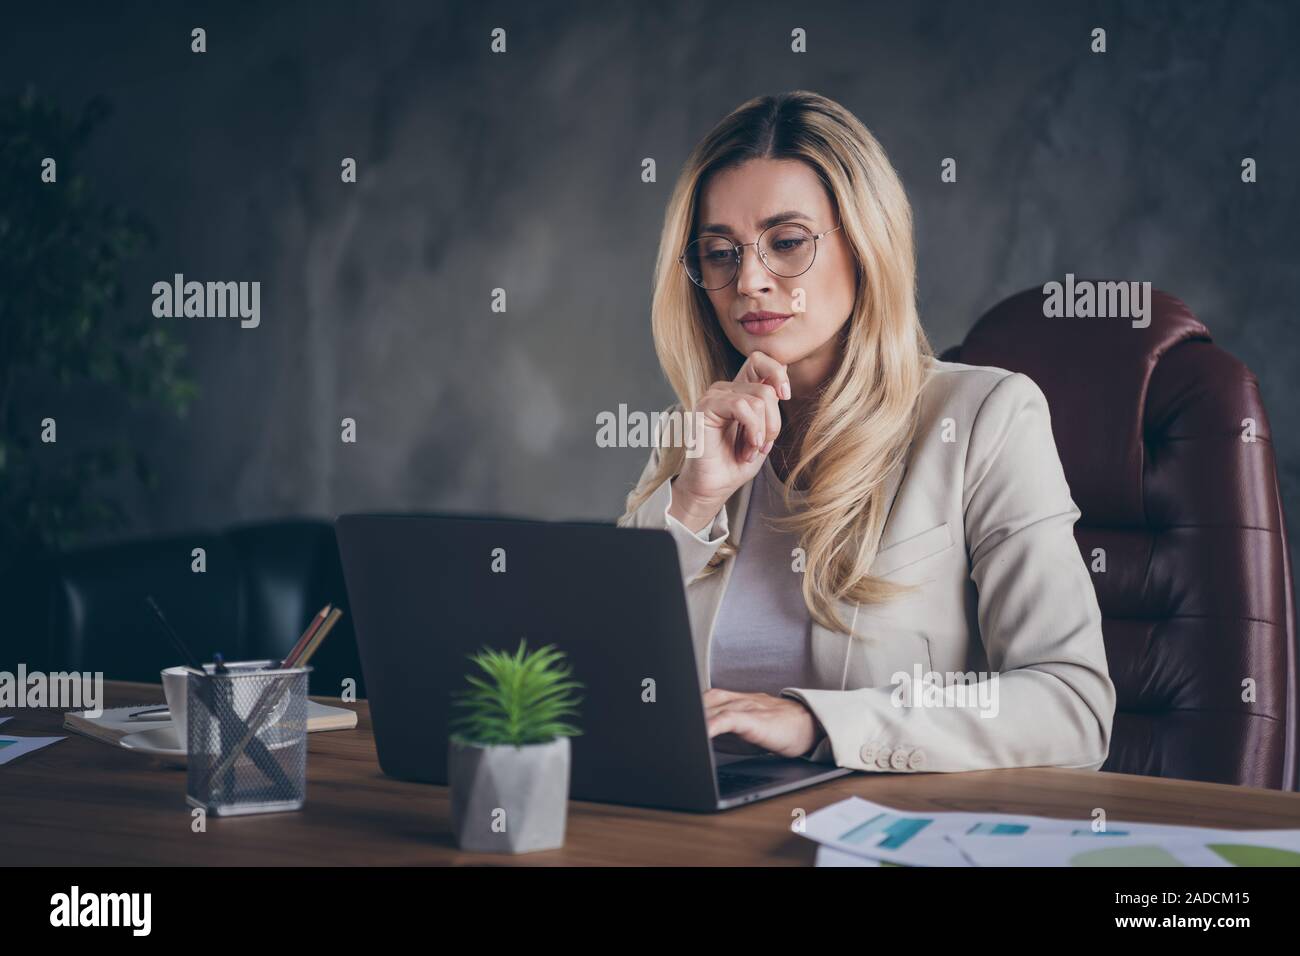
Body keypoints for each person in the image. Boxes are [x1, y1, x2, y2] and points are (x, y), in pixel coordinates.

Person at [618, 90, 1115, 773]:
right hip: (701, 835)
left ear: (865, 243)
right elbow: (601, 679)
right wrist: (693, 501)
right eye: (720, 252)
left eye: (787, 242)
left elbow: (1071, 708)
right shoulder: (694, 433)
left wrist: (817, 722)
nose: (750, 280)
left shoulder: (985, 418)